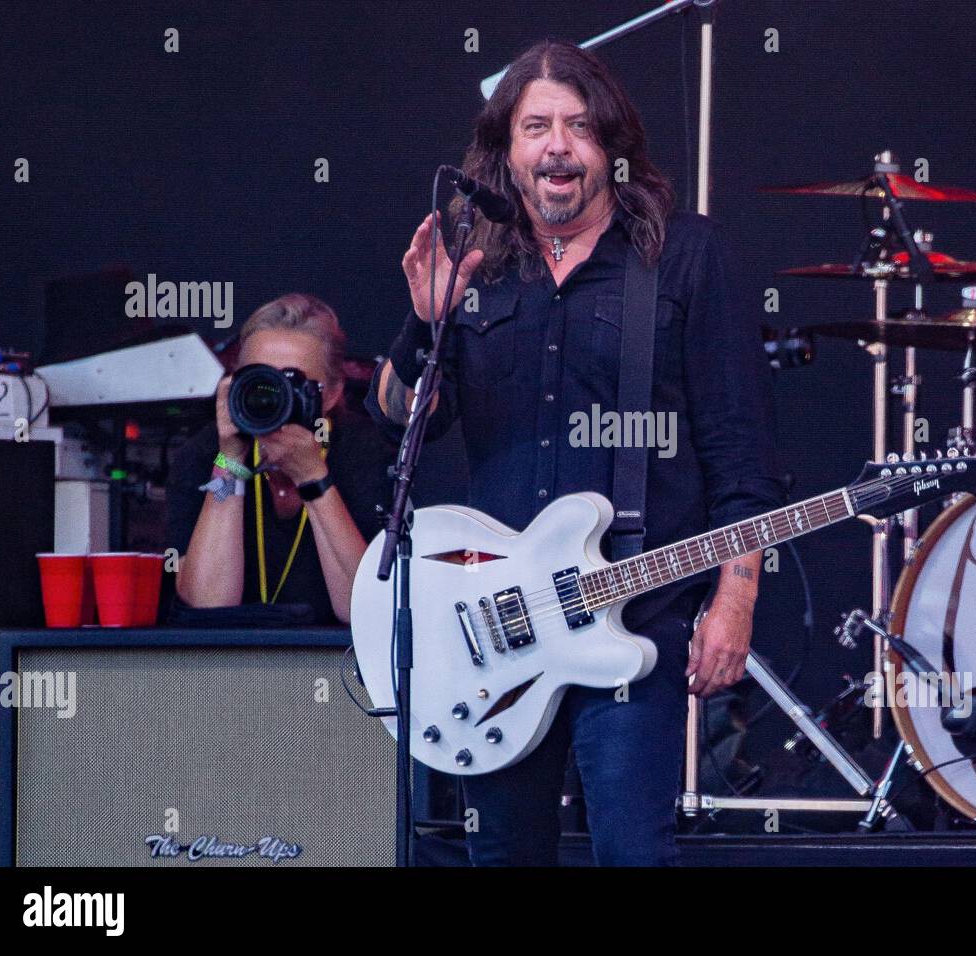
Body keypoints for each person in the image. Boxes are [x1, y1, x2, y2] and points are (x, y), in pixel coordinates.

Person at [366, 40, 784, 865]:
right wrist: (426, 324)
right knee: (505, 855)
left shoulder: (682, 256)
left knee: (632, 849)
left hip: (635, 608)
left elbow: (741, 451)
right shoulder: (475, 265)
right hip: (494, 620)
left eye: (579, 127)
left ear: (610, 149)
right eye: (536, 127)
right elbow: (395, 419)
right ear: (507, 153)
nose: (557, 144)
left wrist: (734, 601)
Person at [168, 293, 394, 624]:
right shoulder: (204, 453)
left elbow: (363, 610)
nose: (272, 394)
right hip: (231, 665)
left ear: (330, 393)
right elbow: (208, 606)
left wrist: (314, 478)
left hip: (334, 663)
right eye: (260, 378)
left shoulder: (365, 451)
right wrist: (230, 460)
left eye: (290, 381)